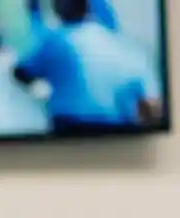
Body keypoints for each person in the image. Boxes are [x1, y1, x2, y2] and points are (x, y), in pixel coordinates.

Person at [15, 0, 162, 132]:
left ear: (57, 8)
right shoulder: (124, 46)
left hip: (70, 132)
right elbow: (152, 105)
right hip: (121, 134)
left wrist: (34, 13)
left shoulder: (56, 40)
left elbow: (22, 72)